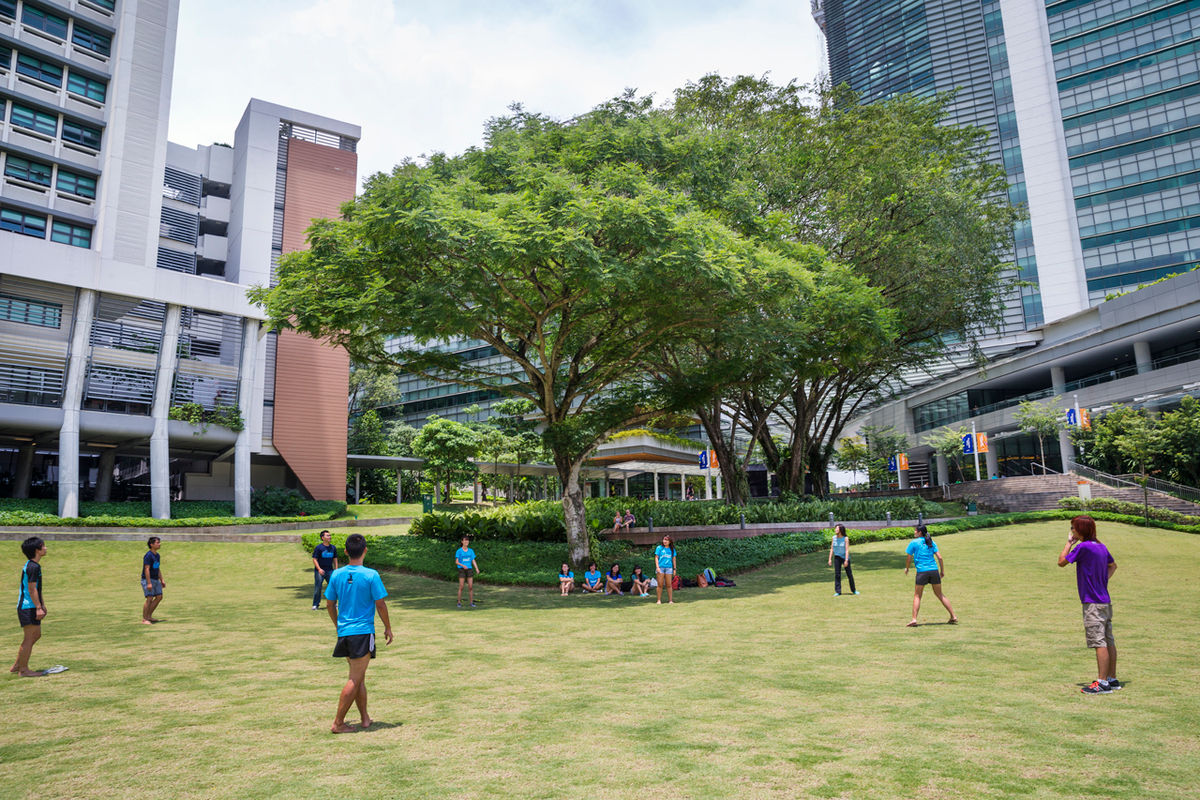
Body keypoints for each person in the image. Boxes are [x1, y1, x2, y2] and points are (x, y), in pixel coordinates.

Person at [325, 533, 392, 733]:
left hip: (345, 633)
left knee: (359, 676)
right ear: (365, 551)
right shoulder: (371, 575)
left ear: (346, 551)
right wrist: (388, 627)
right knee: (355, 679)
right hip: (362, 632)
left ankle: (365, 718)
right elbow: (380, 604)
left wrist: (338, 625)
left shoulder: (336, 575)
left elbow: (330, 604)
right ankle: (338, 723)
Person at [1058, 515, 1120, 694]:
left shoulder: (1083, 547)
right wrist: (1102, 581)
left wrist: (1069, 543)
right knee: (1108, 640)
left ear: (1080, 530)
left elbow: (1061, 562)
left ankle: (1102, 683)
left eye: (1073, 528)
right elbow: (1113, 566)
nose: (1072, 531)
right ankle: (1111, 679)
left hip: (1092, 603)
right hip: (1104, 601)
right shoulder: (1101, 546)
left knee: (1099, 642)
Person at [904, 525, 957, 627]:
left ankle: (914, 619)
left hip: (922, 572)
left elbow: (909, 558)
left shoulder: (914, 543)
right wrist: (942, 571)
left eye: (915, 531)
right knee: (940, 594)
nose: (914, 532)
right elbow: (940, 558)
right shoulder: (931, 542)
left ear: (919, 532)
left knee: (917, 596)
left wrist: (907, 568)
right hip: (934, 571)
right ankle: (953, 616)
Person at [11, 537, 47, 677]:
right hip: (28, 607)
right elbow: (32, 590)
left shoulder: (34, 565)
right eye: (43, 546)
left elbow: (37, 589)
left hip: (31, 605)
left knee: (36, 635)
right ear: (37, 550)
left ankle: (17, 665)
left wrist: (42, 605)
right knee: (29, 637)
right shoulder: (33, 567)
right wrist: (38, 607)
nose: (45, 548)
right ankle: (24, 670)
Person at [827, 524, 858, 596]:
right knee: (837, 574)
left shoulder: (845, 538)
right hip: (837, 557)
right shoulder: (833, 538)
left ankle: (853, 590)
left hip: (844, 557)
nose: (835, 530)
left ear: (840, 530)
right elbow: (832, 549)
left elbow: (847, 550)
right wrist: (829, 559)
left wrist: (846, 560)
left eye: (837, 529)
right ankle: (838, 591)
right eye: (835, 529)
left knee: (849, 574)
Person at [312, 530, 339, 610]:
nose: (329, 537)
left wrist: (336, 569)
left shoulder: (333, 547)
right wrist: (319, 569)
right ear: (322, 538)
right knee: (318, 587)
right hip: (320, 571)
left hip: (330, 571)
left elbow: (335, 559)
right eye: (327, 535)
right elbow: (314, 559)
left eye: (330, 535)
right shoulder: (319, 548)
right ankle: (315, 604)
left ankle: (334, 604)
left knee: (333, 587)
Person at [141, 537, 165, 625]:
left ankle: (149, 616)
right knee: (150, 598)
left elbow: (157, 568)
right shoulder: (148, 555)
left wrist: (162, 579)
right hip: (148, 579)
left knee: (159, 596)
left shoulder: (157, 555)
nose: (159, 544)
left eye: (159, 542)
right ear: (151, 544)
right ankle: (145, 619)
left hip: (155, 579)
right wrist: (149, 583)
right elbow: (146, 569)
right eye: (157, 543)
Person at [455, 536, 479, 608]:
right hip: (462, 570)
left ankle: (471, 603)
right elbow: (456, 562)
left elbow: (473, 560)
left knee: (470, 587)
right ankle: (459, 603)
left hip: (469, 569)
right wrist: (463, 565)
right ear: (462, 542)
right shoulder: (459, 551)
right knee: (461, 586)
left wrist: (476, 568)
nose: (466, 542)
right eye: (465, 540)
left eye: (467, 540)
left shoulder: (471, 551)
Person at [654, 535, 677, 604]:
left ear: (670, 542)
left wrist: (674, 569)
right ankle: (658, 600)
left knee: (669, 585)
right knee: (660, 584)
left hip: (669, 568)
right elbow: (656, 558)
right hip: (660, 568)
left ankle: (670, 600)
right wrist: (657, 567)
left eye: (666, 540)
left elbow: (674, 559)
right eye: (664, 540)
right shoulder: (659, 548)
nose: (665, 541)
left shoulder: (672, 549)